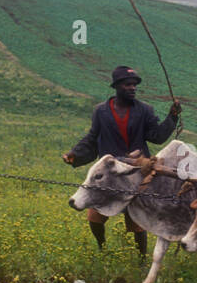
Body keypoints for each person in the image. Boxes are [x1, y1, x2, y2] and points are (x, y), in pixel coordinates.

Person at [62, 66, 182, 257]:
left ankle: (142, 259)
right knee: (95, 216)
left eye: (134, 85)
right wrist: (74, 154)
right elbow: (93, 138)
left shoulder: (144, 110)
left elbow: (157, 136)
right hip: (109, 173)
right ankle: (102, 249)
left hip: (135, 172)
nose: (133, 88)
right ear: (117, 86)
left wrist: (172, 117)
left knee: (135, 220)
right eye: (128, 84)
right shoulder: (101, 111)